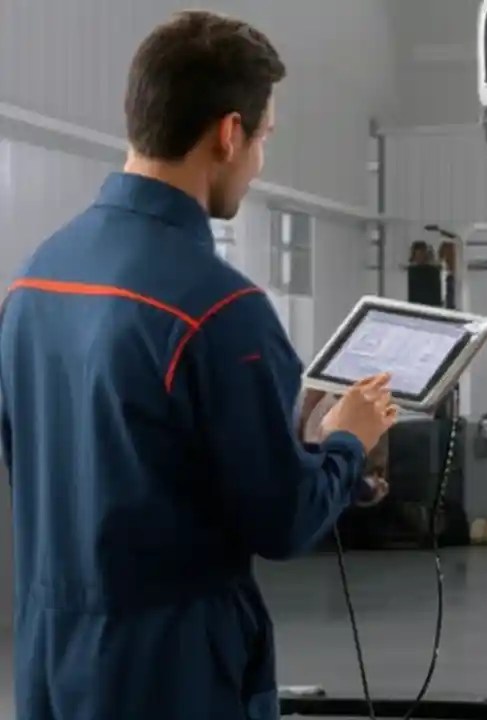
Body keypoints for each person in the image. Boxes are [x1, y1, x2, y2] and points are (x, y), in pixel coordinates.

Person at [0, 11, 397, 720]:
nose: (259, 162)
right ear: (229, 133)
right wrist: (345, 442)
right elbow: (283, 522)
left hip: (52, 667)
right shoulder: (221, 310)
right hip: (174, 676)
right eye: (265, 138)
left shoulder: (35, 279)